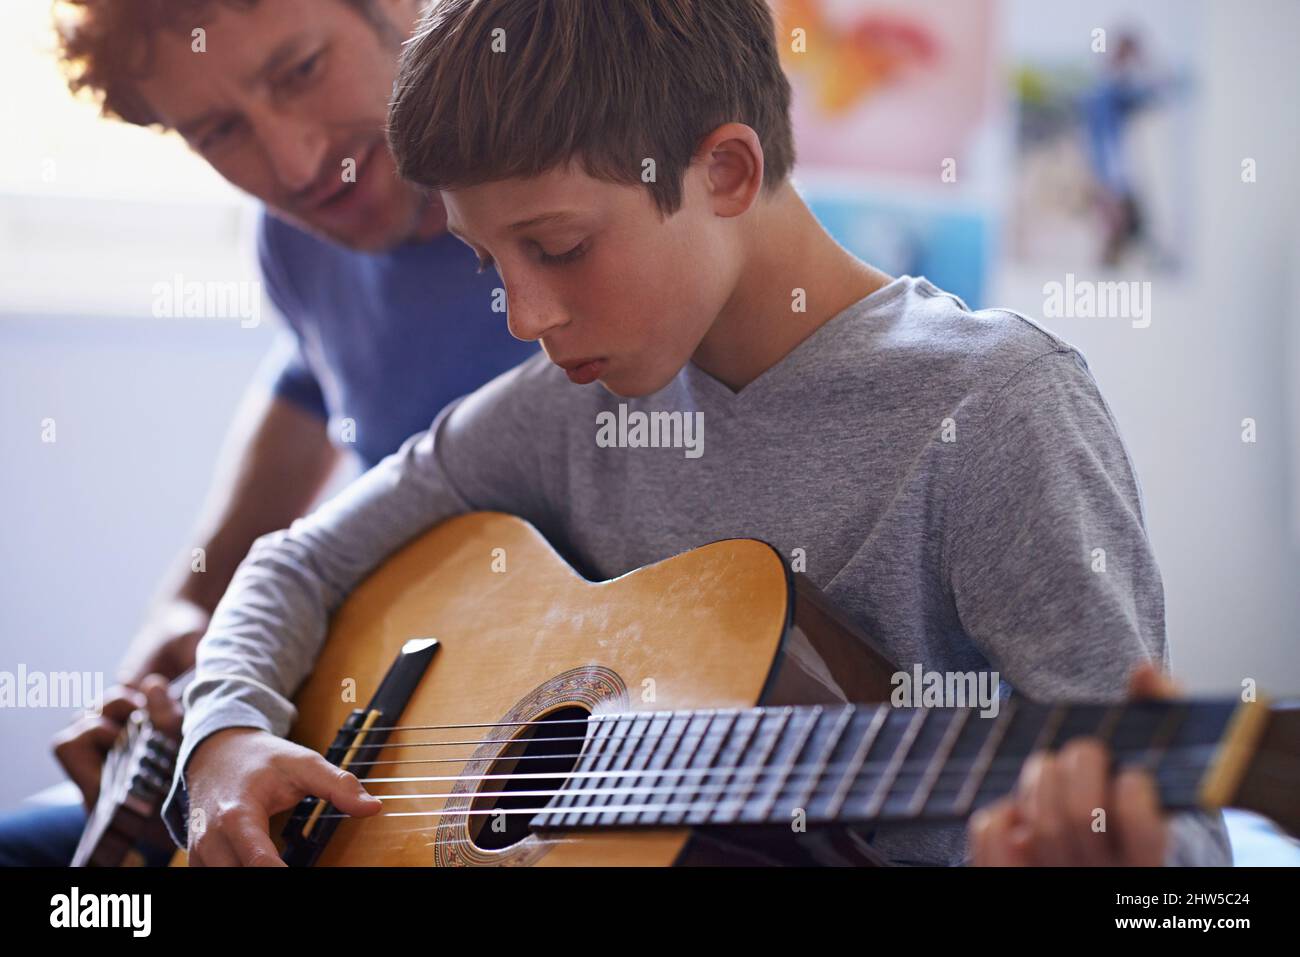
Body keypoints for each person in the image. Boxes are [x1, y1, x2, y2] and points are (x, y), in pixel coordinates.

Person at [167, 0, 1231, 866]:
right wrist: (223, 734)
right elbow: (297, 561)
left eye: (559, 247)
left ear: (724, 171)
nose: (524, 318)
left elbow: (1183, 853)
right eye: (490, 263)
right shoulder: (568, 407)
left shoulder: (993, 407)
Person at [0, 0, 536, 866]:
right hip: (369, 741)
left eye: (301, 71)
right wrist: (168, 659)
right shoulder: (299, 247)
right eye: (219, 131)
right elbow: (222, 563)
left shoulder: (588, 194)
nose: (296, 164)